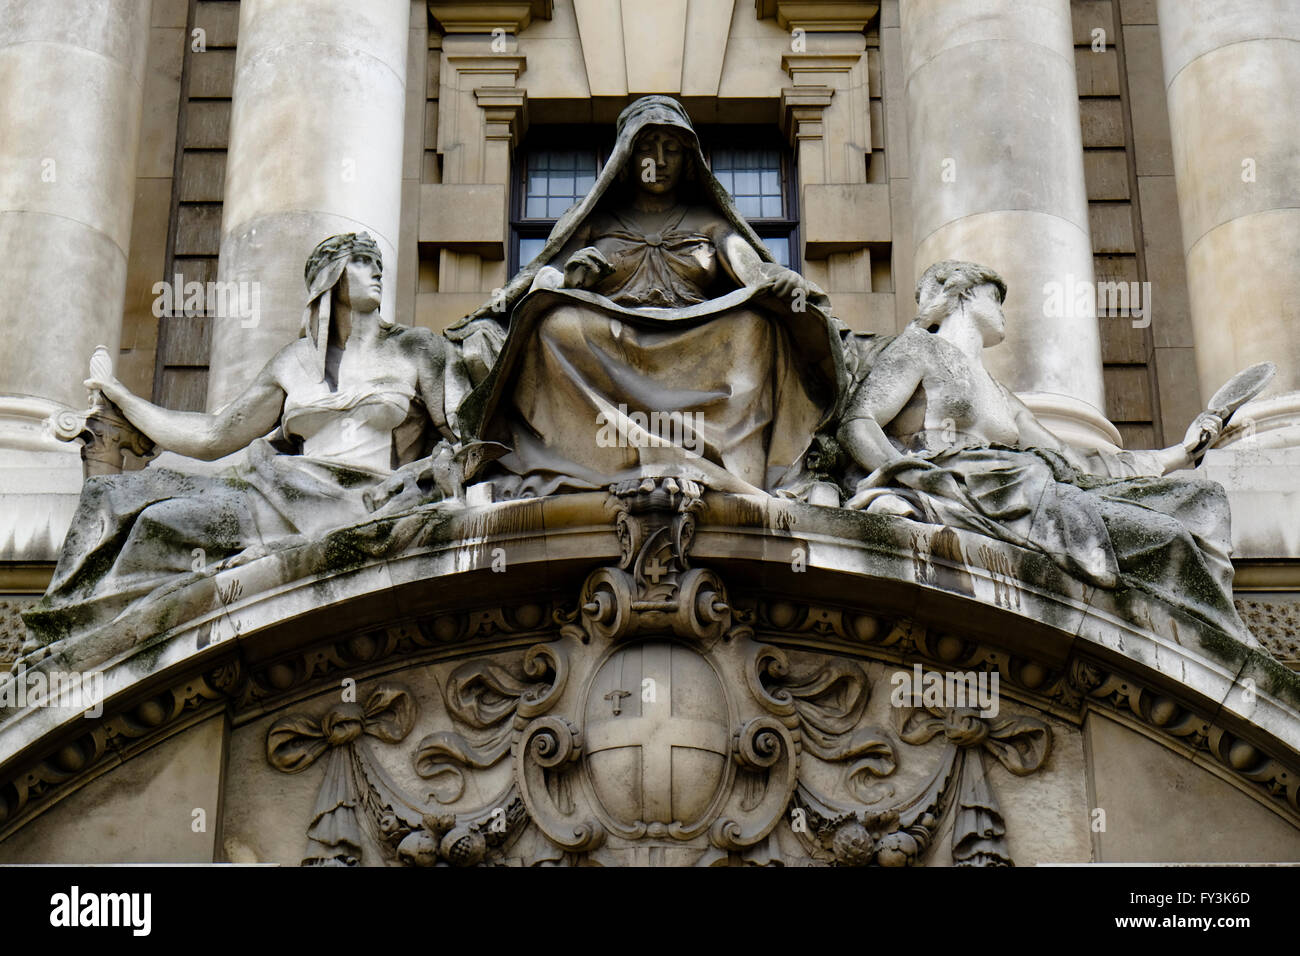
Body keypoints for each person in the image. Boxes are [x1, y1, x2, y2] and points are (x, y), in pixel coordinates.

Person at [26, 233, 462, 643]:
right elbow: (214, 437)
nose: (377, 272)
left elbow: (465, 431)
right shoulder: (292, 362)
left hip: (367, 498)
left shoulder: (416, 349)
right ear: (330, 277)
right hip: (280, 492)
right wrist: (124, 398)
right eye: (362, 262)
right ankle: (93, 640)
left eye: (377, 263)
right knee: (147, 516)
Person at [448, 95, 848, 498]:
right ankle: (603, 460)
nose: (658, 159)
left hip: (696, 335)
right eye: (646, 147)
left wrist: (782, 279)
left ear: (689, 158)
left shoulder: (709, 222)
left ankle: (731, 467)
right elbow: (545, 277)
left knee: (755, 327)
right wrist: (573, 277)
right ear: (626, 156)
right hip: (613, 336)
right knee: (554, 327)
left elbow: (752, 269)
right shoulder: (595, 223)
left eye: (671, 148)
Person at [836, 259, 1251, 641]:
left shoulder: (1002, 397)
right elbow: (858, 423)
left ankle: (1221, 647)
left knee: (1200, 499)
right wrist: (905, 473)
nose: (1002, 309)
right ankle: (1208, 644)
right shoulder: (919, 349)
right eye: (994, 296)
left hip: (1027, 490)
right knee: (1168, 539)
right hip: (975, 487)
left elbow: (1076, 462)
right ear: (962, 294)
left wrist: (1180, 453)